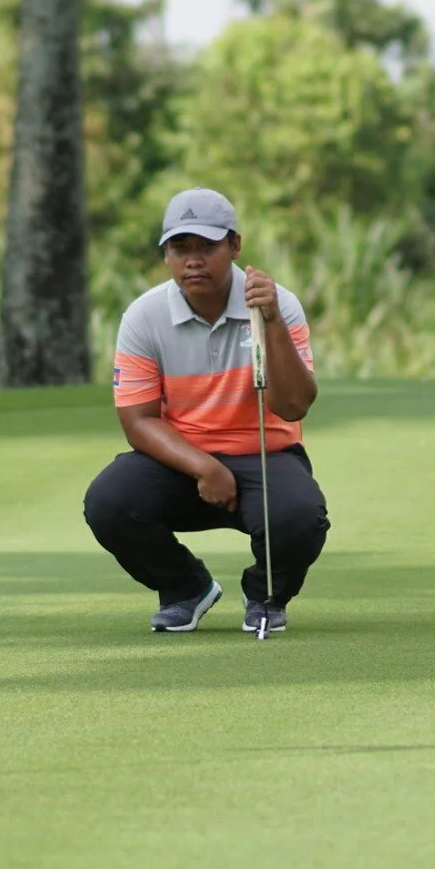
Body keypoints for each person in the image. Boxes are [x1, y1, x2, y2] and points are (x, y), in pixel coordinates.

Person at [84, 188, 328, 634]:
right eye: (181, 248)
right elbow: (138, 422)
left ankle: (266, 595)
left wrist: (272, 321)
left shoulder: (277, 304)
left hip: (266, 455)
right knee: (110, 501)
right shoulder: (144, 316)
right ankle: (185, 588)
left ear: (234, 246)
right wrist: (205, 467)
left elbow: (293, 406)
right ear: (166, 255)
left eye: (207, 246)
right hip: (182, 461)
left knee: (300, 516)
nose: (193, 260)